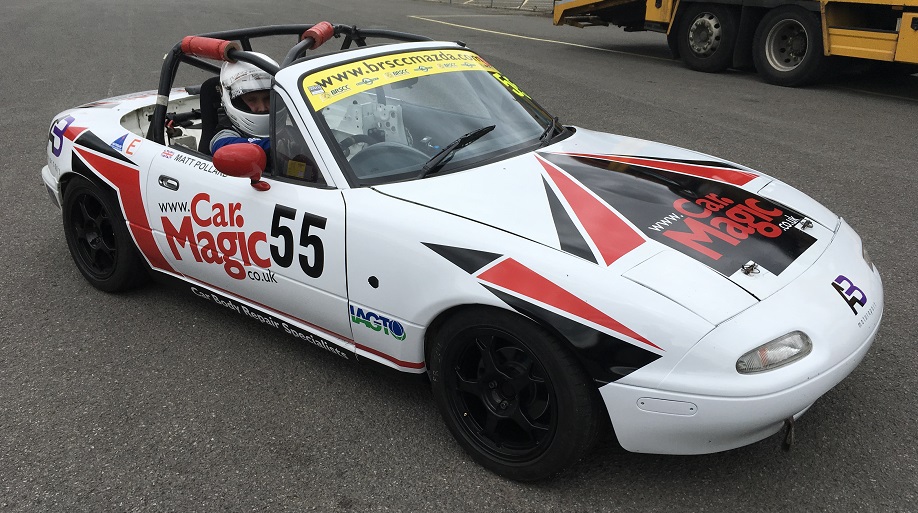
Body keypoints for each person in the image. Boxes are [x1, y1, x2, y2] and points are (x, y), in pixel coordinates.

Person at [210, 53, 278, 155]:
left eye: (268, 98)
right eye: (252, 100)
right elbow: (222, 147)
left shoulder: (289, 125)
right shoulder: (226, 132)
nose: (262, 108)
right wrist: (278, 146)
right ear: (238, 101)